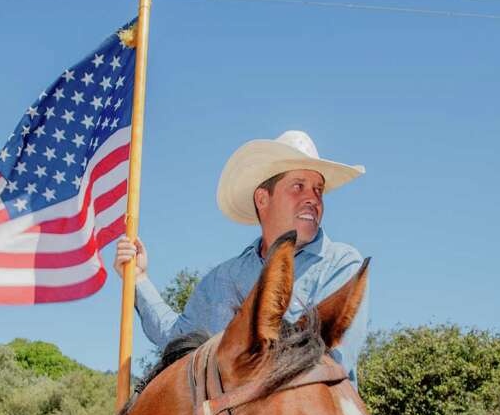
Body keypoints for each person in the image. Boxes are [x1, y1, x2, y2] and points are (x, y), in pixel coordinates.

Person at [115, 130, 369, 383]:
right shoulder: (222, 279)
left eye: (318, 189)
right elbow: (177, 336)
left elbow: (332, 363)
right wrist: (138, 279)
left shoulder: (341, 263)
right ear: (262, 198)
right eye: (298, 186)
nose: (312, 199)